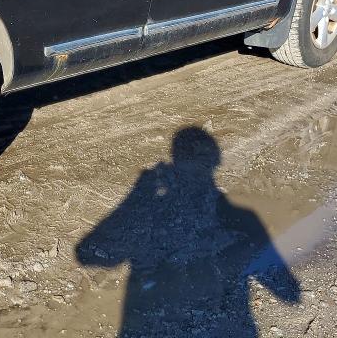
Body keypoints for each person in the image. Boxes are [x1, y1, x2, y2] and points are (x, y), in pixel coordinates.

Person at [76, 127, 300, 337]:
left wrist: (137, 196)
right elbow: (290, 293)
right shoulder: (243, 219)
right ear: (215, 163)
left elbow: (86, 253)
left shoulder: (150, 213)